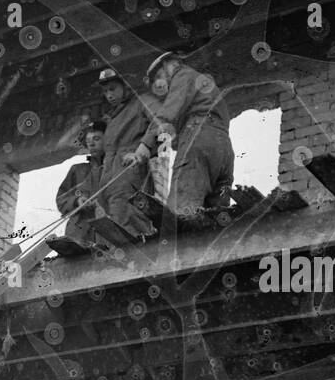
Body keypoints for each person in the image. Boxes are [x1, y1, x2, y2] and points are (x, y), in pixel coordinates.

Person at [126, 52, 234, 223]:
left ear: (170, 64)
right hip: (224, 149)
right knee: (215, 219)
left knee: (180, 214)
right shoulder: (202, 84)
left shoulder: (182, 75)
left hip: (199, 138)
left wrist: (144, 146)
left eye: (160, 76)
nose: (163, 84)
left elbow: (167, 115)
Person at [96, 66, 161, 243]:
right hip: (108, 182)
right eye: (105, 91)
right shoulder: (112, 119)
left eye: (112, 89)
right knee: (109, 229)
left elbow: (160, 121)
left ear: (125, 86)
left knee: (128, 223)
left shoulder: (142, 102)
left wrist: (143, 148)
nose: (109, 95)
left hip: (129, 176)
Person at [46, 121, 112, 255]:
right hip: (79, 234)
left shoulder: (114, 169)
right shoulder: (78, 170)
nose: (91, 143)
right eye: (88, 140)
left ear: (108, 140)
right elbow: (61, 200)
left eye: (97, 139)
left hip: (107, 235)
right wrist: (77, 201)